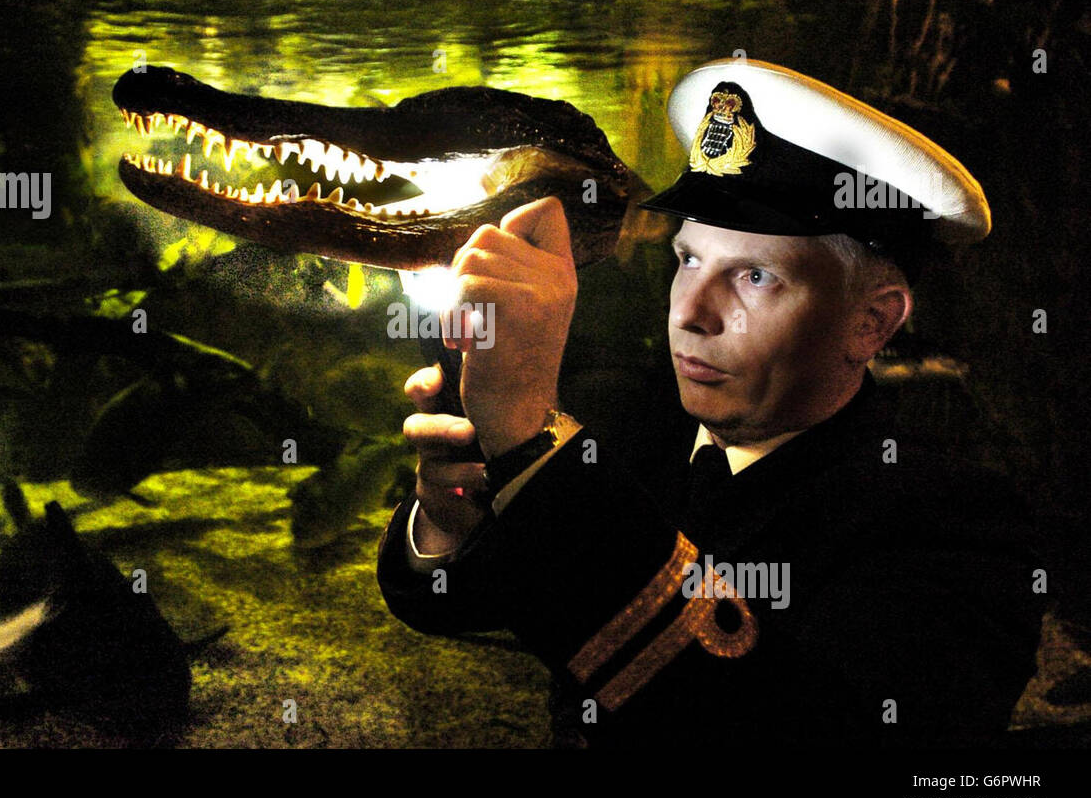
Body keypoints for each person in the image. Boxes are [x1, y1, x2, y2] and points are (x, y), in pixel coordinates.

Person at [376, 58, 1045, 747]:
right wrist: (447, 520)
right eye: (688, 259)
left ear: (871, 323)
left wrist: (531, 447)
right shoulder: (624, 429)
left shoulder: (959, 528)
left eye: (754, 276)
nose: (691, 313)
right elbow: (449, 604)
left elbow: (778, 724)